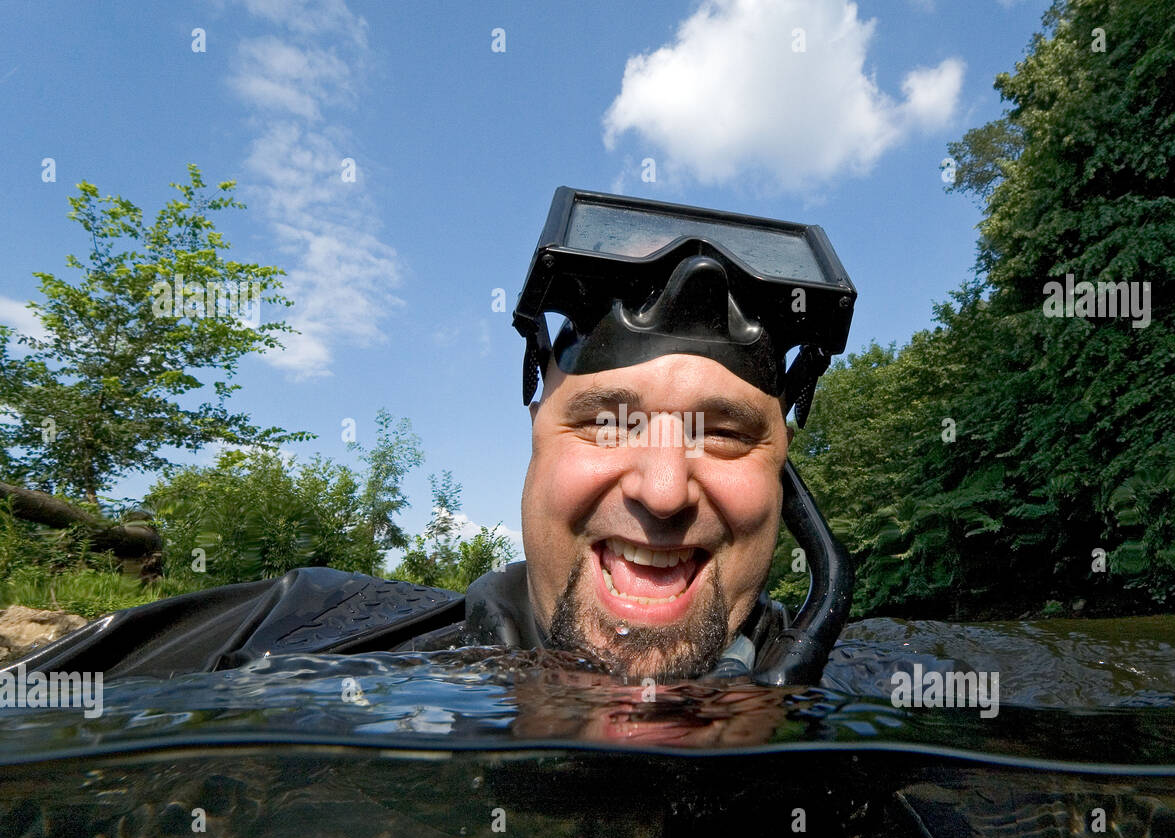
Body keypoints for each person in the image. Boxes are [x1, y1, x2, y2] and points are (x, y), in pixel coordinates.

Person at [5, 188, 857, 686]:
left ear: (787, 472)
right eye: (608, 421)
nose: (664, 491)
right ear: (537, 433)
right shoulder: (300, 632)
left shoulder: (893, 686)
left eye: (724, 434)